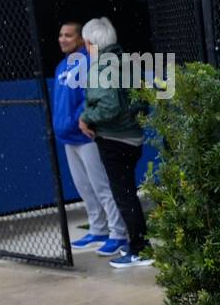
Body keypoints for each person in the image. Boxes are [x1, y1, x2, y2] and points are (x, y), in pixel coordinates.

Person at [76, 17, 153, 268]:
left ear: (91, 43)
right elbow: (143, 101)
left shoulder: (101, 68)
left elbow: (110, 106)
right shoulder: (129, 62)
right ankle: (139, 245)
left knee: (124, 196)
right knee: (127, 194)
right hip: (133, 138)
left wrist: (86, 118)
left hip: (115, 140)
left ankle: (140, 248)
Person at [50, 20, 127, 256]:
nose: (63, 39)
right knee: (84, 188)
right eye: (61, 35)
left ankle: (119, 234)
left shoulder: (89, 63)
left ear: (81, 40)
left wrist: (79, 120)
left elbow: (90, 97)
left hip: (86, 136)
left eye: (68, 35)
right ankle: (98, 229)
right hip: (68, 138)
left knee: (102, 186)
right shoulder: (63, 65)